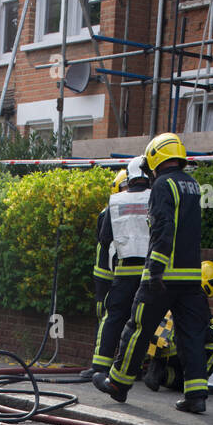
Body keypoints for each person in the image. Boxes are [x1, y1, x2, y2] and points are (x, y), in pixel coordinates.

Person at [93, 132, 211, 414]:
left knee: (137, 328)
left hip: (163, 276)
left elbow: (162, 229)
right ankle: (196, 395)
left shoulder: (162, 185)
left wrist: (154, 270)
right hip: (191, 278)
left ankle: (119, 384)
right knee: (191, 335)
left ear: (157, 157)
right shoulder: (193, 185)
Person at [80, 158, 151, 382]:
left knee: (114, 317)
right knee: (143, 322)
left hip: (125, 270)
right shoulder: (158, 197)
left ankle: (100, 367)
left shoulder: (116, 202)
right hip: (153, 271)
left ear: (128, 179)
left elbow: (105, 239)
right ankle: (134, 368)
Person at [143, 261, 213, 393]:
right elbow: (200, 334)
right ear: (209, 283)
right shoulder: (197, 300)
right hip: (175, 346)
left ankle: (161, 373)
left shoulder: (176, 289)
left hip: (154, 346)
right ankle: (198, 384)